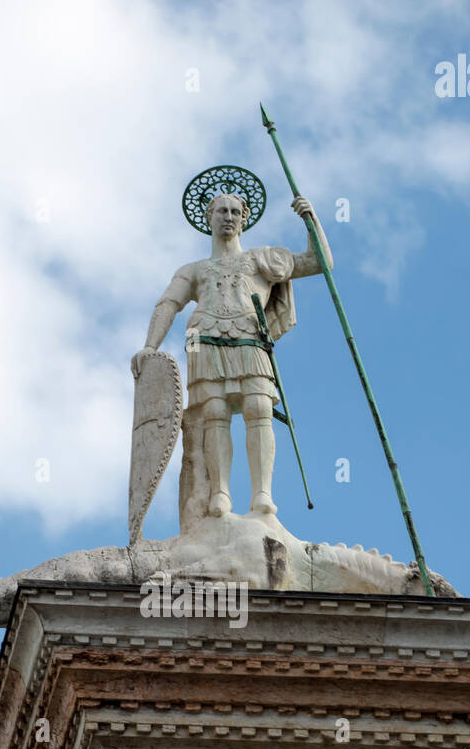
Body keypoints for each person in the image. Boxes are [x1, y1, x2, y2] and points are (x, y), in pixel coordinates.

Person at [131, 191, 332, 526]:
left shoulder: (262, 259)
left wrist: (311, 221)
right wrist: (150, 346)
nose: (228, 216)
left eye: (235, 211)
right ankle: (220, 492)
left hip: (249, 335)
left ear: (243, 219)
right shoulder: (194, 270)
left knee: (259, 408)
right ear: (209, 217)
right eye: (221, 210)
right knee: (215, 412)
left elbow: (319, 262)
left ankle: (262, 495)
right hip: (204, 338)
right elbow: (168, 304)